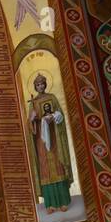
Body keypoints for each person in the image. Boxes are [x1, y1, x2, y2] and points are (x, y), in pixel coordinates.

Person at [28, 74, 74, 213]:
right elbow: (30, 125)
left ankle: (63, 202)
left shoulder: (52, 97)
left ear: (45, 85)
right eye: (38, 85)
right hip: (41, 141)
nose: (40, 86)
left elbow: (60, 113)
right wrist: (33, 118)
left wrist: (54, 116)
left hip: (55, 137)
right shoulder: (33, 102)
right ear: (35, 87)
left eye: (42, 84)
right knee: (45, 168)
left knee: (58, 165)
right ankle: (50, 205)